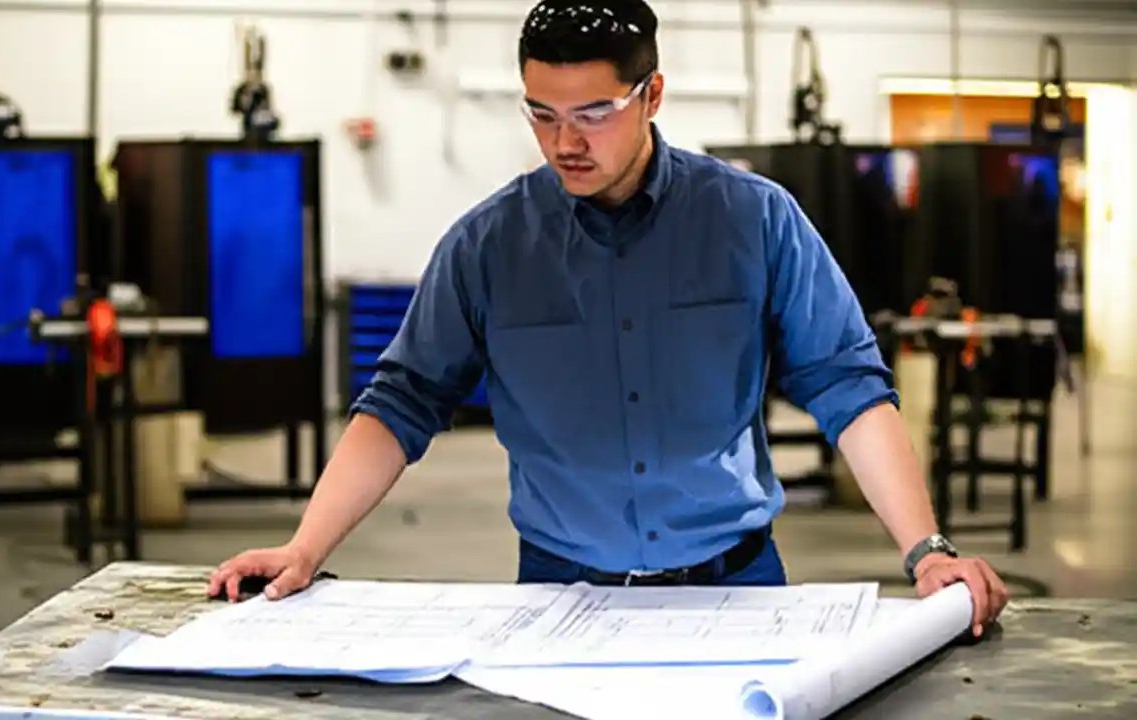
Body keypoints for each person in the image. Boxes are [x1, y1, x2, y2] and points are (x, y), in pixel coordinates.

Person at [208, 0, 1008, 636]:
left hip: (736, 591)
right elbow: (400, 404)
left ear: (651, 94)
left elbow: (849, 389)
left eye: (592, 112)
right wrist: (304, 548)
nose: (565, 142)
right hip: (560, 600)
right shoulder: (489, 247)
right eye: (542, 115)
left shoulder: (754, 222)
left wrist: (926, 551)